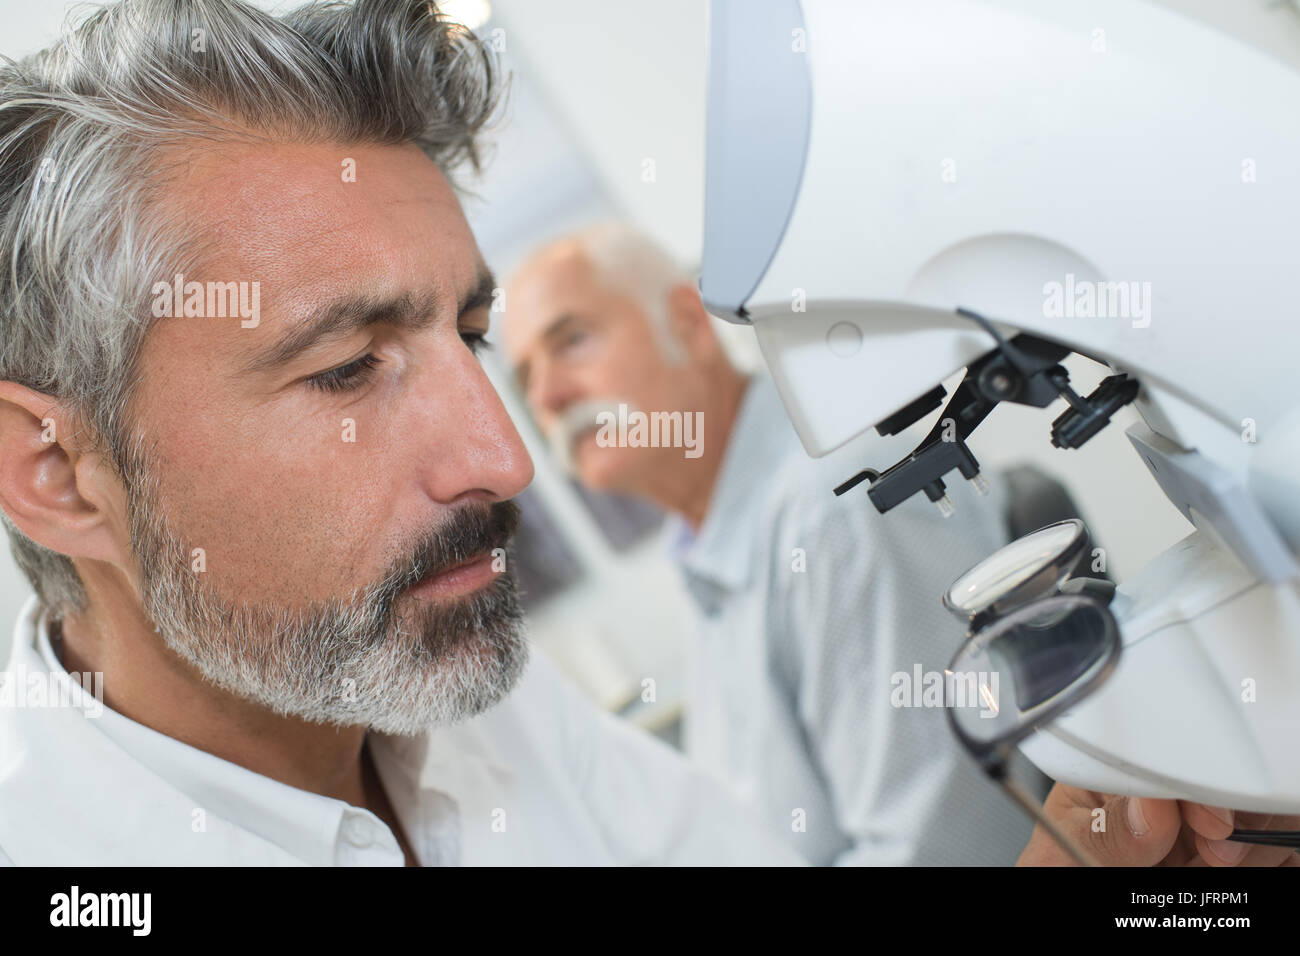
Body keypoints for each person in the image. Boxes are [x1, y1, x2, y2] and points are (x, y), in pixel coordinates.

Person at [0, 0, 800, 866]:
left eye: (470, 333)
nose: (507, 462)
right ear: (57, 472)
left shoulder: (470, 693)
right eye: (346, 367)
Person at [504, 224, 1038, 864]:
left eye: (572, 341)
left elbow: (947, 850)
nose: (547, 398)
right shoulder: (712, 545)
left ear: (688, 325)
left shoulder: (835, 509)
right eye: (526, 377)